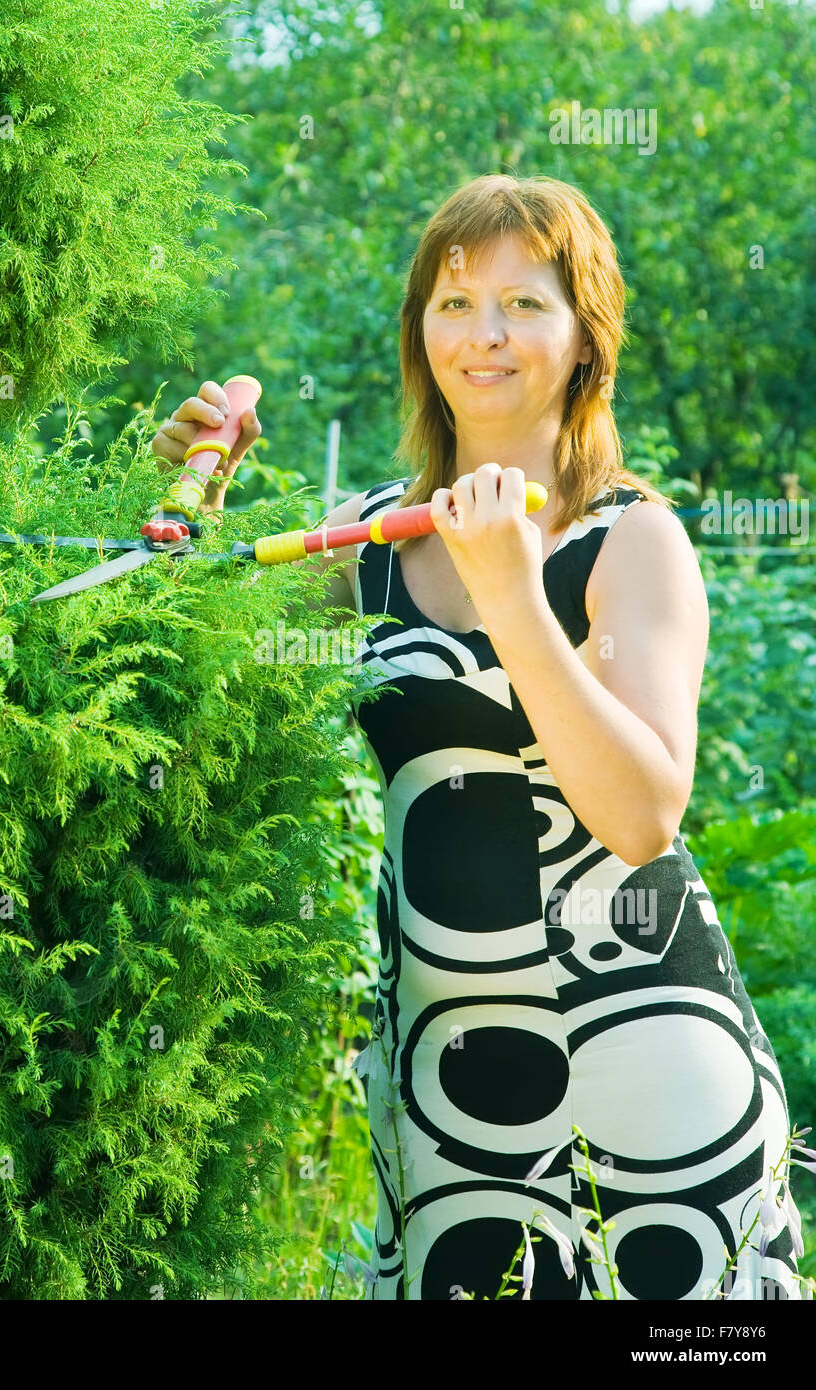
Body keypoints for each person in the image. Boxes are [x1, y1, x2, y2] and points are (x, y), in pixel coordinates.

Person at [150, 172, 804, 1302]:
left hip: (645, 1058)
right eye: (453, 304)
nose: (483, 336)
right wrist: (193, 493)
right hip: (449, 1089)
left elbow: (644, 812)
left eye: (524, 304)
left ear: (586, 339)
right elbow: (179, 659)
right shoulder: (365, 542)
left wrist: (513, 592)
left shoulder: (633, 541)